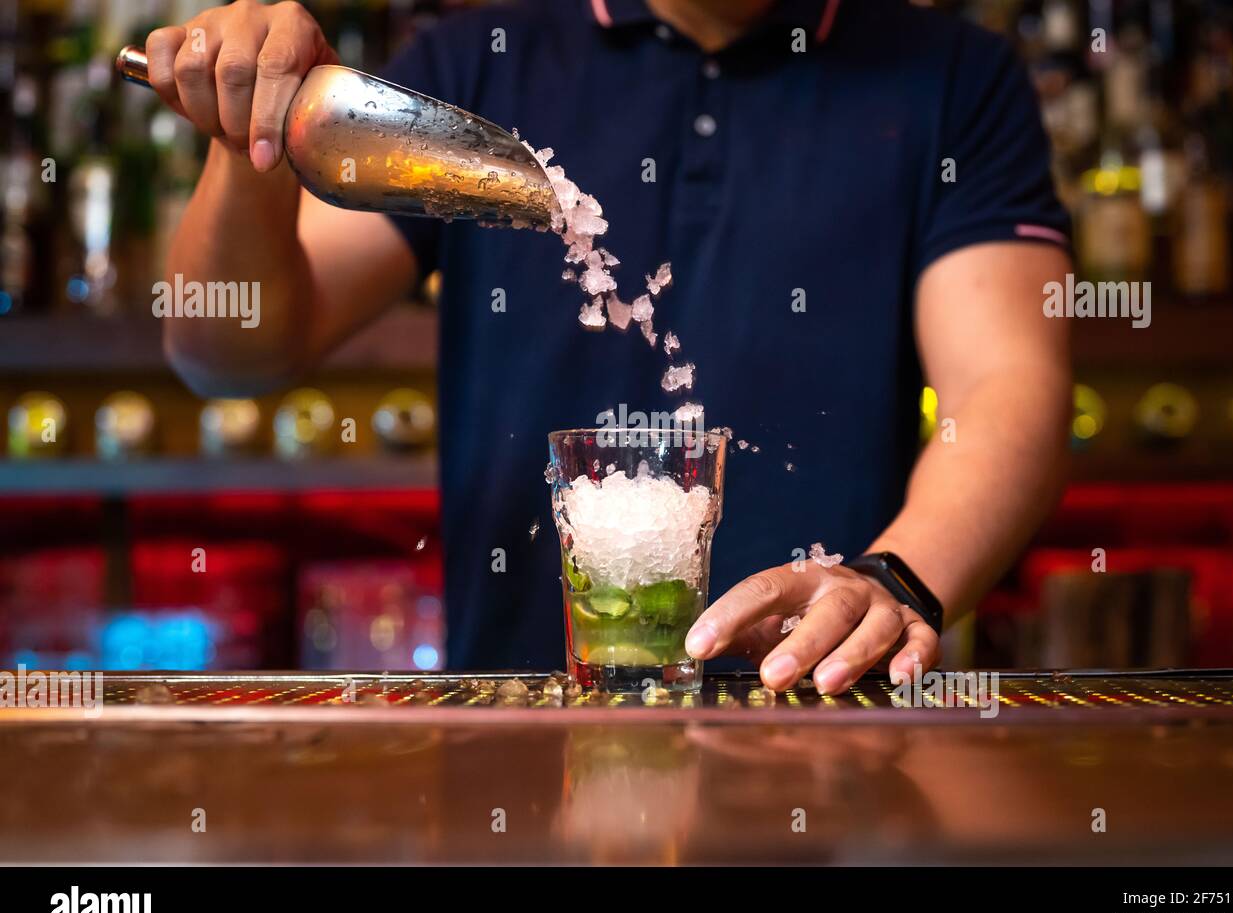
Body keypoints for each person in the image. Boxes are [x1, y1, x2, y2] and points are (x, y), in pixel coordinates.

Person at [145, 0, 1072, 693]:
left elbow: (1003, 390)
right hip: (509, 736)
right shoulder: (472, 66)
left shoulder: (954, 76)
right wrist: (250, 135)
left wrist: (891, 578)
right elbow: (229, 351)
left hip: (832, 725)